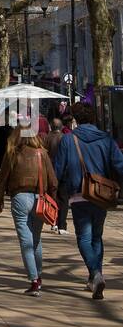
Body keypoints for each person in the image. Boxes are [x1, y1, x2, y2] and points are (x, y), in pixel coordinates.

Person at [53, 102, 123, 300]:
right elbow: (119, 164)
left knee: (84, 237)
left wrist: (53, 189)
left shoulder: (69, 140)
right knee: (96, 237)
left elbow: (58, 168)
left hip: (78, 194)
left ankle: (95, 274)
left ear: (76, 119)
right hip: (102, 194)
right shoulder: (106, 139)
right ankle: (95, 278)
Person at [0, 126, 57, 296]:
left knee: (26, 240)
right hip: (39, 198)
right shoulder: (42, 153)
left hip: (20, 197)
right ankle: (39, 276)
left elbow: (3, 178)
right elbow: (53, 181)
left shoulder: (12, 152)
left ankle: (34, 280)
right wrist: (54, 202)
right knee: (36, 239)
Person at [46, 112, 72, 235]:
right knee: (63, 199)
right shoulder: (65, 138)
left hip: (50, 171)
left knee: (52, 197)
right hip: (64, 172)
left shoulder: (46, 137)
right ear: (61, 127)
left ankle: (53, 222)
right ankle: (62, 224)